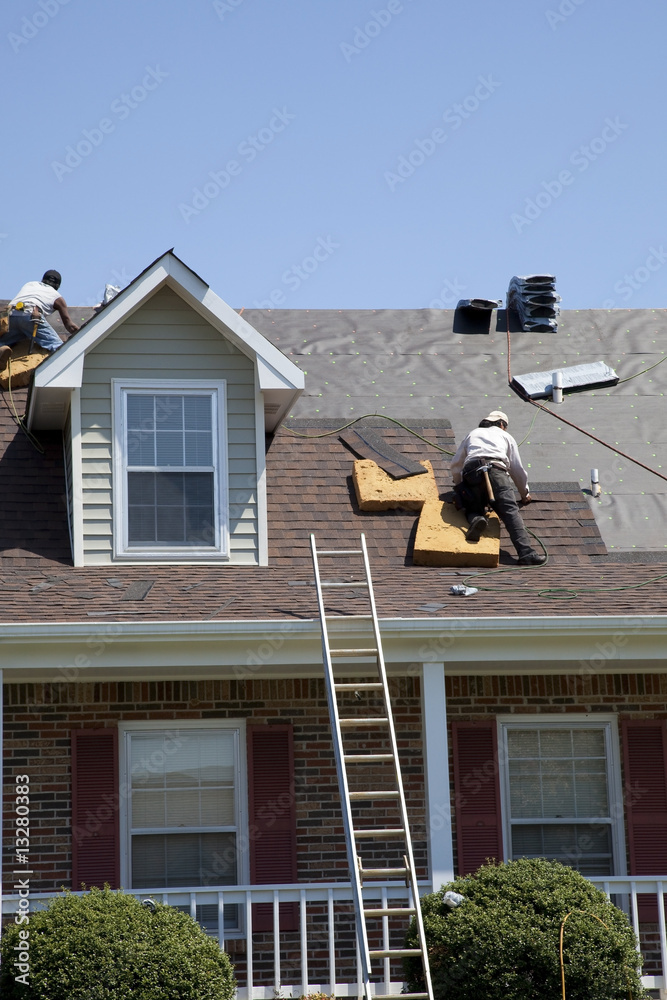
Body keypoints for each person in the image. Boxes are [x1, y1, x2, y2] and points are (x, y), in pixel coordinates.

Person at [450, 410, 547, 566]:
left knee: (472, 507)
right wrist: (524, 494)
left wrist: (460, 485)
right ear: (502, 424)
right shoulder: (506, 436)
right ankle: (526, 553)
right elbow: (517, 470)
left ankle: (477, 519)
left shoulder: (473, 433)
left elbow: (456, 465)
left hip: (471, 472)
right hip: (495, 471)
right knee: (510, 511)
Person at [0, 270, 80, 371]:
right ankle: (60, 371)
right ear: (57, 285)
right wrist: (81, 334)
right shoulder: (57, 297)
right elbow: (69, 325)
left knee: (5, 341)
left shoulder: (30, 284)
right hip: (31, 317)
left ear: (43, 280)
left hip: (11, 316)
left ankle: (2, 349)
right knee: (58, 346)